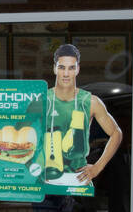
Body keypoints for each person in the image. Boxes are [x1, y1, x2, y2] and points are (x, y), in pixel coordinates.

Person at [43, 43, 122, 187]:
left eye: (71, 68)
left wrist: (98, 167)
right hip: (47, 181)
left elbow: (116, 133)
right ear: (55, 68)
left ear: (77, 69)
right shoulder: (42, 100)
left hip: (77, 181)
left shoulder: (90, 102)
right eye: (62, 67)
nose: (66, 73)